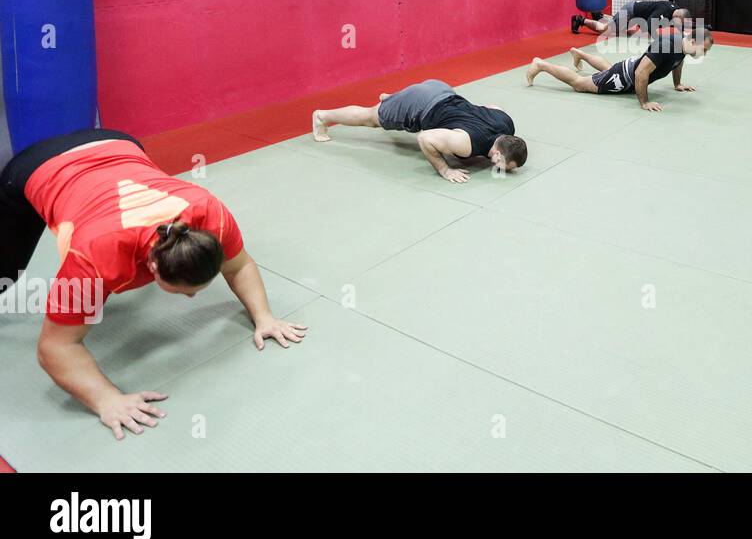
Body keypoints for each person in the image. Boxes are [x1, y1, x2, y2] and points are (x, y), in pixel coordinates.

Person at [0, 129, 306, 439]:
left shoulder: (211, 214)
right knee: (6, 271)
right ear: (153, 267)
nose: (189, 298)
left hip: (117, 143)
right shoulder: (94, 257)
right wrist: (106, 399)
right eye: (184, 290)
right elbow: (56, 347)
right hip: (36, 166)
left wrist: (264, 316)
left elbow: (239, 265)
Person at [312, 80, 527, 183]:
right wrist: (445, 170)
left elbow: (491, 107)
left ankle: (392, 101)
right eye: (504, 166)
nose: (501, 170)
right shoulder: (467, 144)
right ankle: (323, 116)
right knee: (370, 118)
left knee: (390, 106)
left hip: (441, 89)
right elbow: (425, 138)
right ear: (497, 153)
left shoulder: (505, 122)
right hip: (420, 106)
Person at [526, 26, 713, 112]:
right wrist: (644, 102)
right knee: (579, 84)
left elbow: (677, 62)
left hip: (626, 69)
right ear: (693, 41)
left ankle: (580, 54)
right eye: (703, 49)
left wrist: (677, 83)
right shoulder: (667, 44)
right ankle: (541, 64)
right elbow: (641, 73)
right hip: (626, 77)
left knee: (608, 69)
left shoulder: (682, 47)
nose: (703, 54)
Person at [573, 0, 691, 37]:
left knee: (623, 31)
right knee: (606, 31)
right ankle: (580, 20)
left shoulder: (675, 9)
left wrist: (684, 35)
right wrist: (659, 39)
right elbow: (649, 26)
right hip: (630, 11)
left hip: (635, 14)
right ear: (677, 16)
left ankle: (601, 16)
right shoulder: (664, 11)